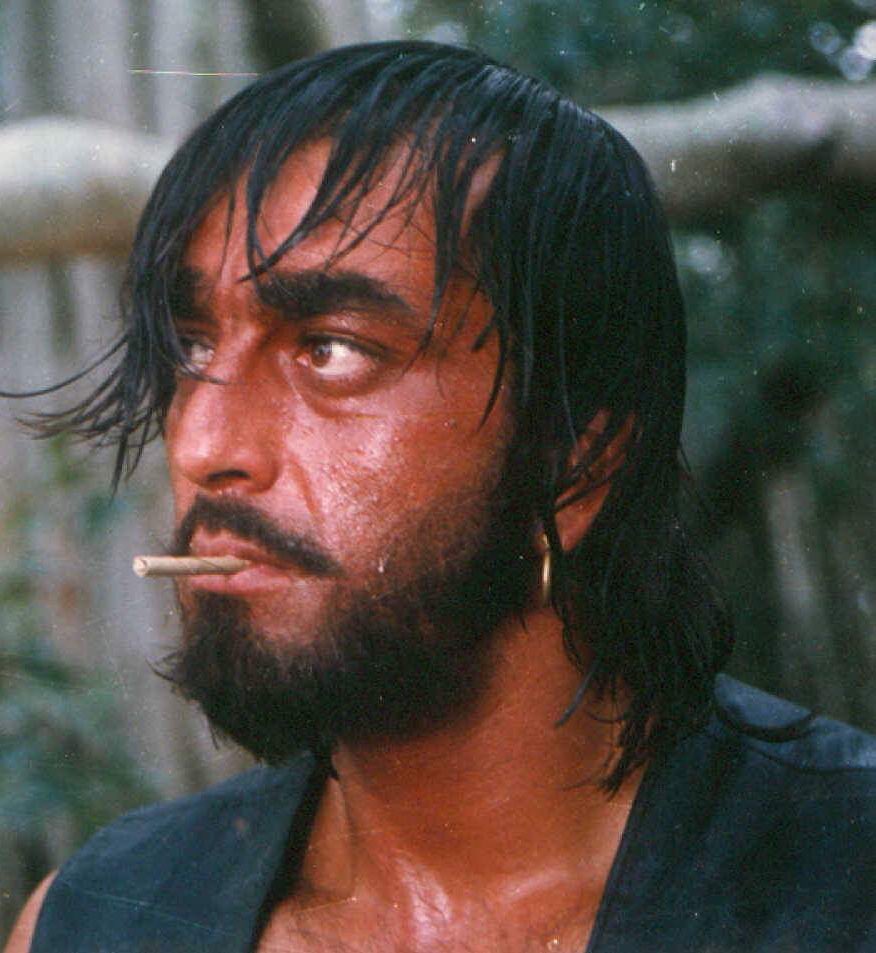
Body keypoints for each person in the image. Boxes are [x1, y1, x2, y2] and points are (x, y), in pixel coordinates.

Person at [5, 40, 875, 953]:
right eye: (191, 347)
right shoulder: (98, 920)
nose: (203, 445)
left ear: (574, 465)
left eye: (330, 349)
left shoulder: (842, 886)